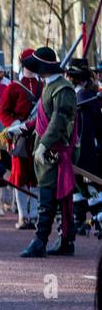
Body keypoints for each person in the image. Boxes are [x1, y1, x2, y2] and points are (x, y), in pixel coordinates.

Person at [20, 47, 78, 257]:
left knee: (47, 199)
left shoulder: (62, 89)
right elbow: (45, 118)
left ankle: (40, 241)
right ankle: (62, 240)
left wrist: (44, 145)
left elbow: (59, 120)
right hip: (48, 150)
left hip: (56, 150)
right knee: (51, 198)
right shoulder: (51, 86)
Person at [0, 48, 41, 229]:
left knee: (37, 175)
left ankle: (35, 214)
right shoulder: (14, 87)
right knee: (20, 176)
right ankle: (23, 215)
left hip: (39, 135)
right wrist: (16, 125)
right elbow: (4, 113)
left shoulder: (43, 85)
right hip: (21, 137)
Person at [66, 58, 99, 236]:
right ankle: (79, 221)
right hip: (84, 150)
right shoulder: (87, 97)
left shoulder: (82, 98)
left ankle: (98, 221)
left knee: (89, 187)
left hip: (82, 150)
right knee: (78, 187)